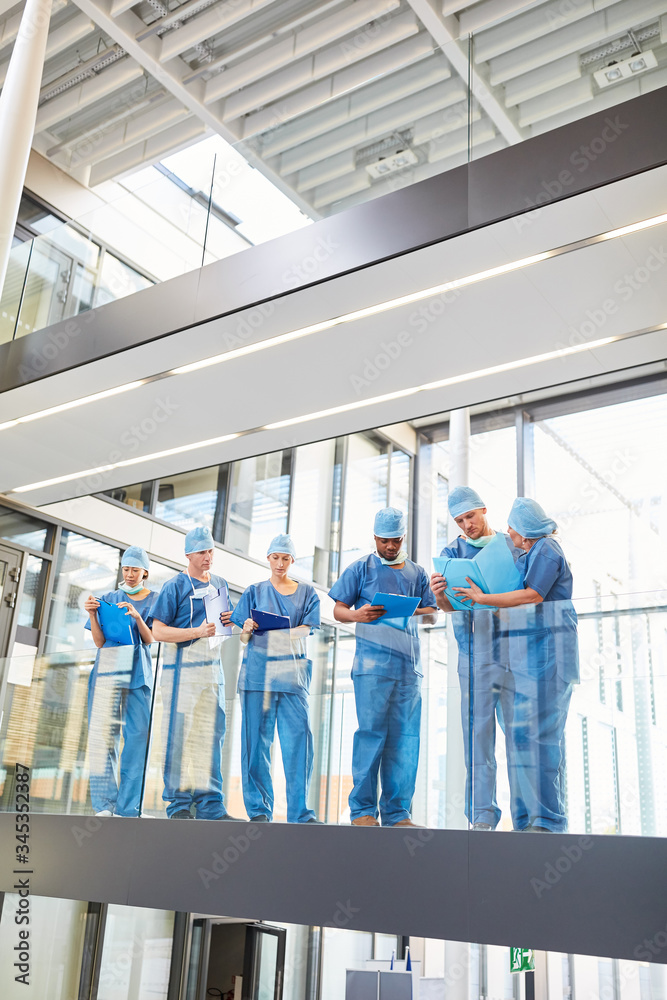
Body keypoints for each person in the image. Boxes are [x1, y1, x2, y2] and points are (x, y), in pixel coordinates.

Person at [453, 497, 579, 833]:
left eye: (512, 528)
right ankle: (526, 822)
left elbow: (532, 595)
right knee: (524, 738)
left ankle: (548, 822)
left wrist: (483, 599)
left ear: (526, 530)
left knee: (543, 739)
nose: (508, 533)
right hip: (530, 654)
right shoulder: (529, 553)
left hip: (549, 652)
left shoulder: (547, 550)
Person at [329, 507, 437, 828]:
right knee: (371, 734)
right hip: (372, 665)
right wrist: (358, 615)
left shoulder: (417, 573)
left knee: (404, 738)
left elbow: (432, 612)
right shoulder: (360, 568)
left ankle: (398, 813)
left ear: (403, 537)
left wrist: (409, 610)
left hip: (408, 666)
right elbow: (337, 609)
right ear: (375, 537)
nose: (390, 546)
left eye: (396, 540)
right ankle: (362, 811)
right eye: (384, 540)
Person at [430, 486, 525, 831]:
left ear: (484, 510)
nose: (466, 525)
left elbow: (530, 595)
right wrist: (440, 596)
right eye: (459, 520)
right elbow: (447, 608)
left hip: (514, 653)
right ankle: (482, 817)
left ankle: (528, 818)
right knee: (478, 739)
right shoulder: (451, 553)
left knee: (520, 737)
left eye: (470, 516)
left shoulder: (512, 545)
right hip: (474, 656)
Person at [230, 534, 321, 824]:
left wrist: (281, 632)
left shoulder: (307, 593)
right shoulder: (254, 591)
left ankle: (300, 812)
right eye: (275, 558)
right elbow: (244, 638)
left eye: (286, 558)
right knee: (255, 746)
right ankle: (259, 811)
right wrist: (246, 626)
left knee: (299, 745)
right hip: (257, 676)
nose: (280, 563)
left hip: (292, 678)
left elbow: (308, 629)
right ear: (268, 558)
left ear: (293, 561)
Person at [150, 526, 239, 820]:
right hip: (181, 672)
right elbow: (157, 630)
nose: (208, 556)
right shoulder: (174, 586)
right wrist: (196, 631)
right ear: (188, 554)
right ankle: (177, 804)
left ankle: (210, 805)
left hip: (211, 671)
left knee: (211, 737)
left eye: (211, 551)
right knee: (178, 738)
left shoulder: (221, 584)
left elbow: (225, 630)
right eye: (202, 551)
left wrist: (229, 622)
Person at [84, 545, 156, 817]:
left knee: (138, 737)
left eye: (135, 569)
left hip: (138, 673)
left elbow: (151, 639)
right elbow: (100, 642)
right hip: (109, 669)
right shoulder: (109, 598)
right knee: (103, 738)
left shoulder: (155, 599)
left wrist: (137, 617)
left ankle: (129, 808)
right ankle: (105, 805)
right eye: (126, 569)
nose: (129, 574)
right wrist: (92, 613)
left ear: (145, 572)